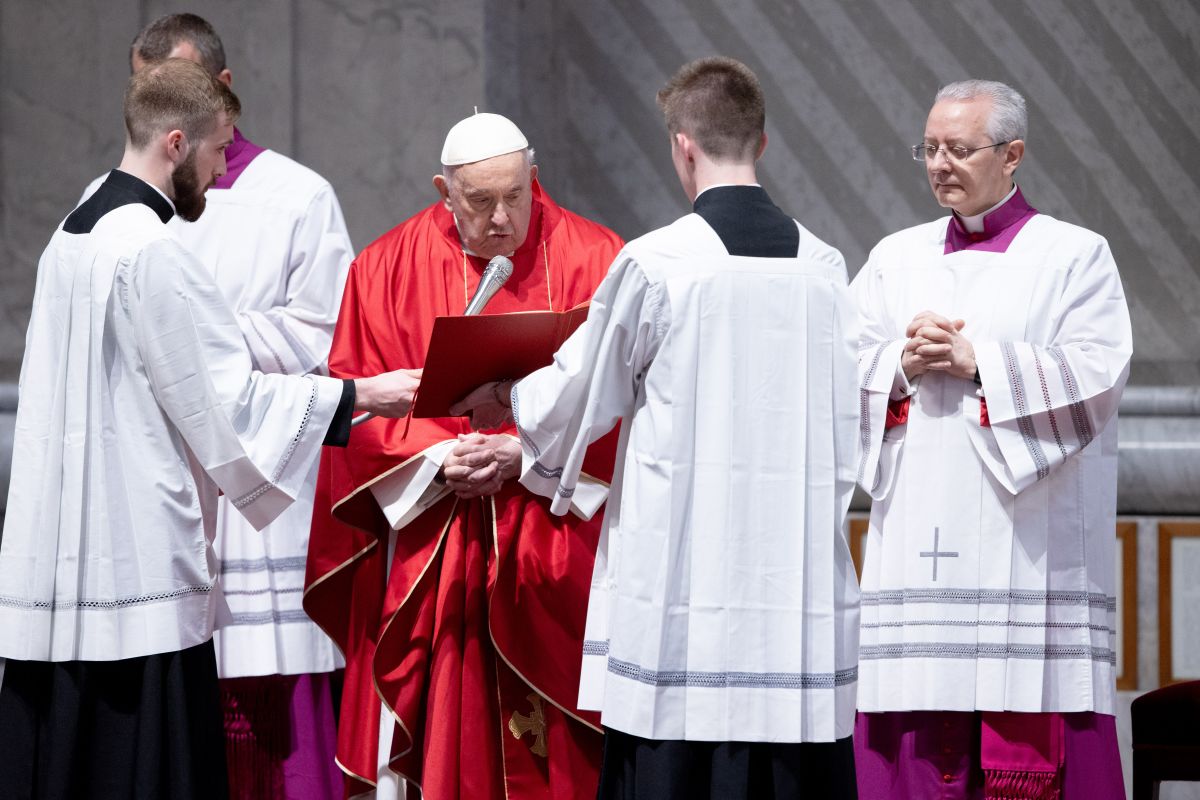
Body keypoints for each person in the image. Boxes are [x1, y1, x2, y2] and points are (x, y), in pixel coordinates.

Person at [0, 59, 418, 799]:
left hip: (63, 558)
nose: (225, 167)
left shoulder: (73, 233)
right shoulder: (153, 252)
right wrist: (361, 398)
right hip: (136, 572)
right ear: (173, 143)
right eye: (218, 149)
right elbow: (228, 402)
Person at [452, 56, 861, 800]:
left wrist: (511, 395)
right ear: (762, 144)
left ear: (682, 144)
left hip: (687, 584)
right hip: (789, 590)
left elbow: (581, 392)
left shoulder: (658, 264)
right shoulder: (827, 269)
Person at [302, 112, 624, 798]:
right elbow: (350, 411)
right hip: (435, 547)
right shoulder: (383, 269)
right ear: (443, 192)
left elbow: (630, 406)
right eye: (480, 202)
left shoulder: (599, 259)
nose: (504, 218)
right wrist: (436, 458)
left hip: (559, 548)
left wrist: (520, 451)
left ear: (534, 178)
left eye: (518, 195)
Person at [83, 15, 354, 797]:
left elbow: (320, 332)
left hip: (259, 486)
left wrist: (198, 337)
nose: (155, 108)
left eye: (173, 89)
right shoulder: (111, 209)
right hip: (158, 498)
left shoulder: (298, 196)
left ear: (222, 95)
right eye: (143, 90)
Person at [851, 79, 1131, 799]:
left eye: (959, 149)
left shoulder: (1074, 255)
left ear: (1013, 155)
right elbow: (836, 371)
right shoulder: (893, 257)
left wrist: (982, 365)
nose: (940, 163)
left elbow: (1098, 376)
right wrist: (900, 366)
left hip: (1026, 546)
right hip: (917, 543)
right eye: (930, 148)